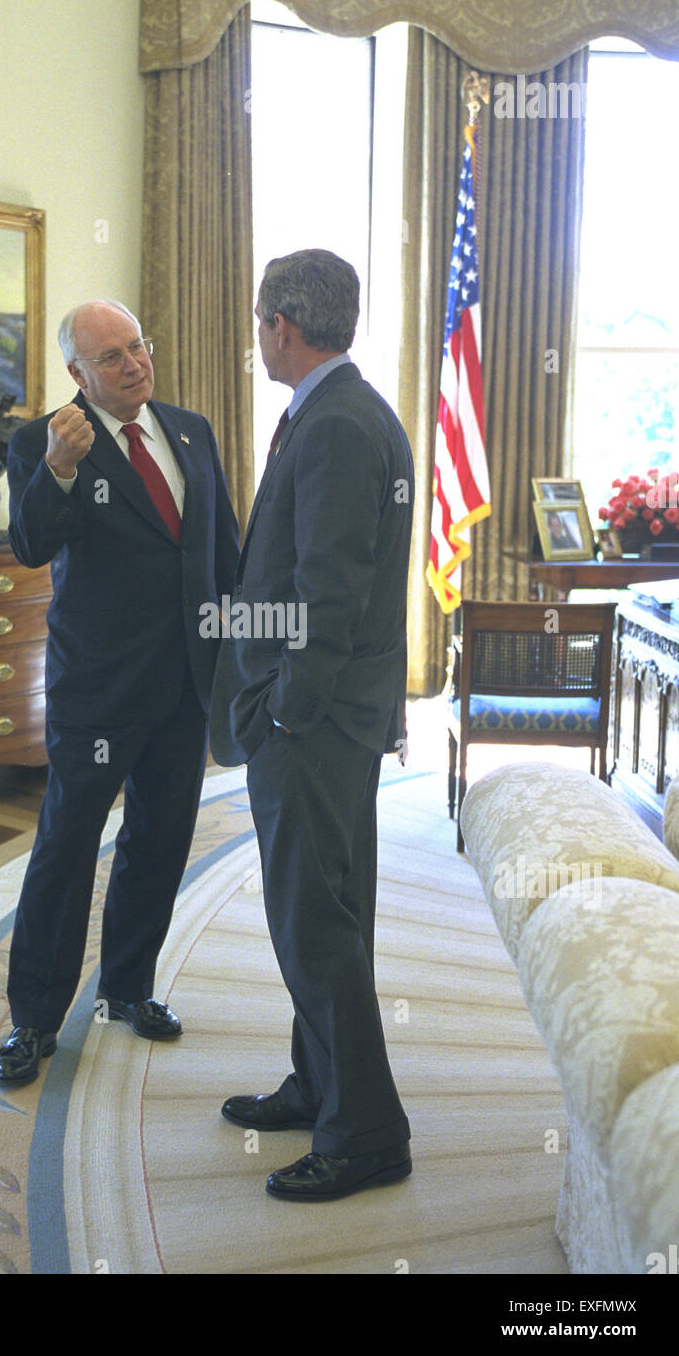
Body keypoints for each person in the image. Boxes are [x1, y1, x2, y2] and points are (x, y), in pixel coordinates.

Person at [209, 249, 415, 1201]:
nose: (257, 337)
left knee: (313, 919)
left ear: (283, 326)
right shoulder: (345, 410)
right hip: (336, 711)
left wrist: (283, 710)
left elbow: (330, 594)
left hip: (316, 721)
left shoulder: (334, 423)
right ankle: (320, 1082)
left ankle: (366, 1132)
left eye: (259, 322)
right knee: (327, 905)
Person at [0, 300, 239, 1085]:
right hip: (97, 689)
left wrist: (239, 656)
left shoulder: (191, 430)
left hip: (184, 688)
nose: (134, 364)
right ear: (77, 374)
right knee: (67, 849)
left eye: (138, 346)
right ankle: (33, 1021)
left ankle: (128, 986)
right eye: (112, 357)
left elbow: (220, 552)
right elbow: (31, 545)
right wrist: (60, 471)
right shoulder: (43, 441)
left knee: (160, 840)